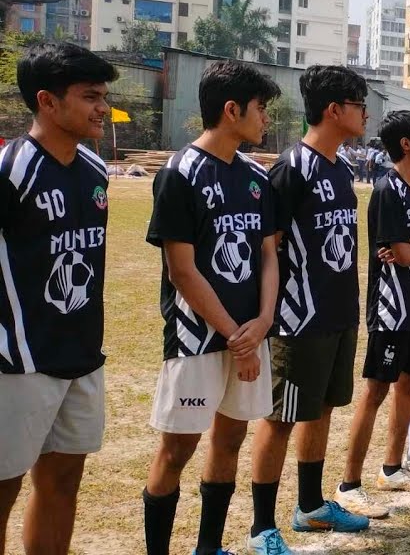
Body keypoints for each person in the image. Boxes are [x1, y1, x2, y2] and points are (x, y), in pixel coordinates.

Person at [143, 61, 282, 555]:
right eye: (261, 108)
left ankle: (209, 547)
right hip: (197, 337)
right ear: (231, 110)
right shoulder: (179, 173)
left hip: (251, 333)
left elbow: (269, 254)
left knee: (230, 441)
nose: (266, 118)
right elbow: (182, 270)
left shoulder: (255, 176)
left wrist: (263, 321)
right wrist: (234, 336)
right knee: (177, 448)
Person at [248, 66, 371, 553]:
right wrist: (270, 314)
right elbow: (268, 247)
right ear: (334, 110)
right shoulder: (291, 168)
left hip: (338, 312)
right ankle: (262, 527)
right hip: (299, 319)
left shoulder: (340, 168)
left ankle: (311, 505)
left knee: (321, 408)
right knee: (281, 417)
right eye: (359, 104)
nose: (365, 113)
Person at [0, 44, 116, 555]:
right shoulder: (10, 170)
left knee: (64, 481)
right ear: (47, 101)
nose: (102, 108)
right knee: (3, 490)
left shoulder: (93, 168)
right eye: (90, 97)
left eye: (104, 96)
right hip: (18, 364)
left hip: (82, 356)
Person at [335, 112, 410, 516]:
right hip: (391, 309)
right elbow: (400, 254)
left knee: (408, 384)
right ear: (406, 144)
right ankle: (349, 484)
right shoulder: (387, 190)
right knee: (376, 391)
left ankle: (392, 467)